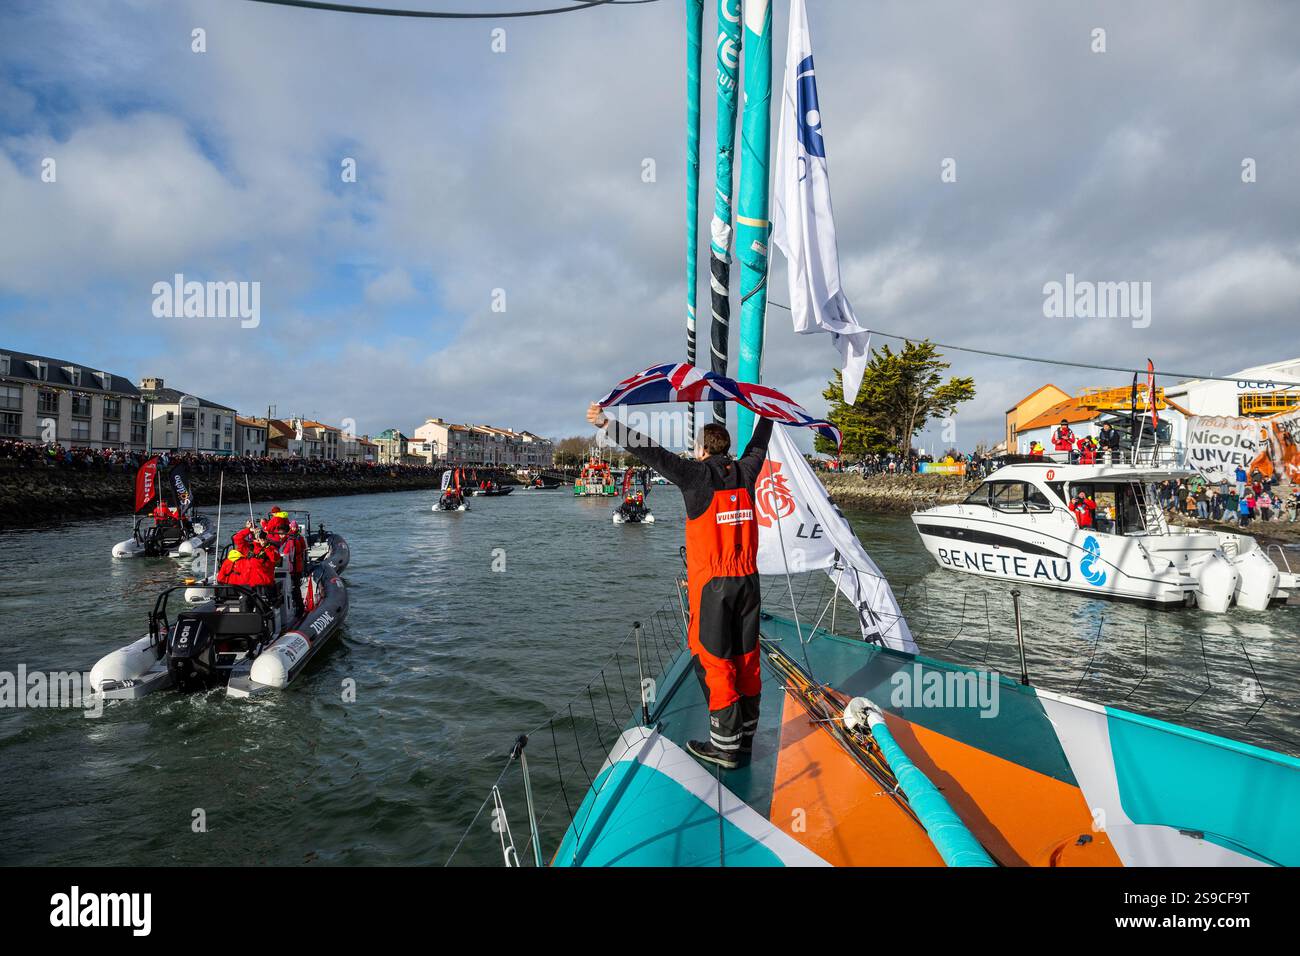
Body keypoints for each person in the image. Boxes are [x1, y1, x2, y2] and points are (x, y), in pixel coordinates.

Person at [588, 401, 772, 771]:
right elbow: (759, 446)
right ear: (726, 449)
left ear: (703, 449)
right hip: (748, 582)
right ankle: (746, 738)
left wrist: (607, 423)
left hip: (713, 587)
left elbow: (649, 449)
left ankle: (725, 747)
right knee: (747, 657)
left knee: (714, 660)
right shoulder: (746, 471)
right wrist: (769, 412)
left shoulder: (695, 476)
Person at [281, 520, 308, 618]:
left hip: (294, 567)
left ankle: (299, 607)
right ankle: (297, 605)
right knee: (295, 587)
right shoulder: (294, 538)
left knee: (295, 587)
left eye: (295, 527)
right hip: (295, 566)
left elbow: (290, 554)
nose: (295, 528)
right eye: (293, 527)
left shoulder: (292, 539)